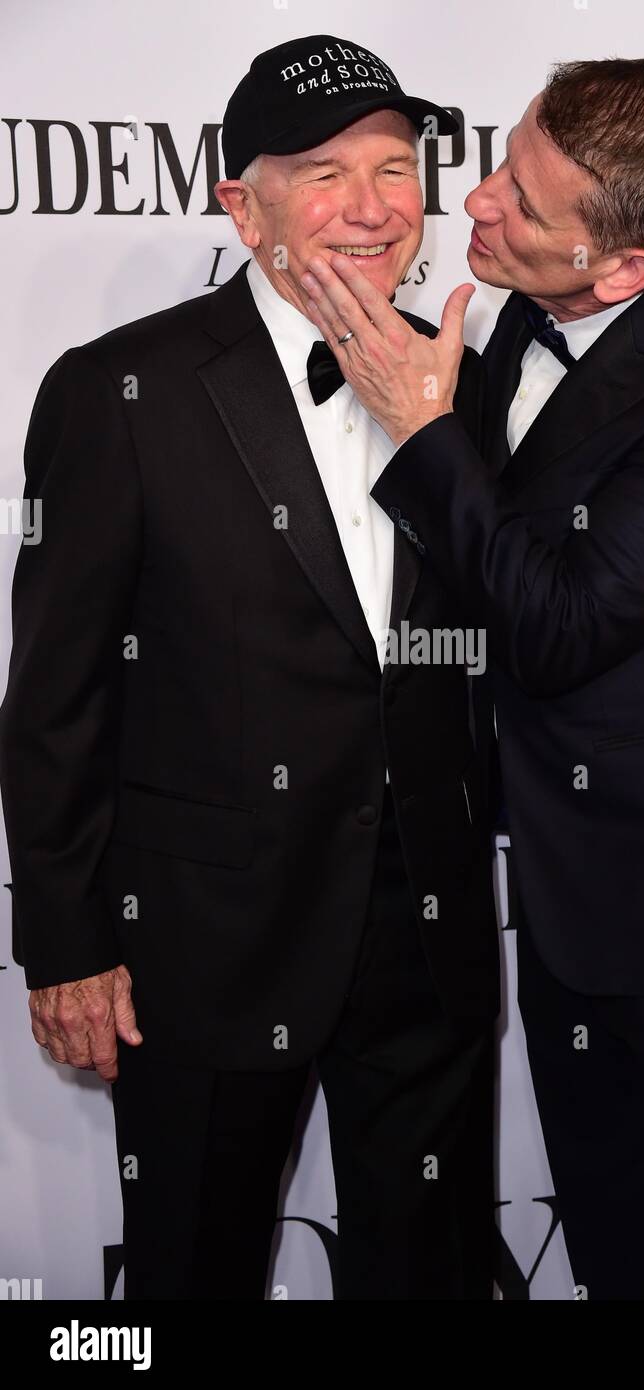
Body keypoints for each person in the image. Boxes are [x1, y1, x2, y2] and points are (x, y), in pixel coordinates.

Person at [299, 57, 644, 1300]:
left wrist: (423, 429)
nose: (479, 203)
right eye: (503, 161)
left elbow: (555, 621)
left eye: (522, 201)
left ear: (626, 272)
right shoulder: (530, 312)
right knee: (617, 1251)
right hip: (579, 895)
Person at [0, 34, 500, 1301]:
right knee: (188, 1272)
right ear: (241, 202)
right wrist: (63, 942)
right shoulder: (120, 389)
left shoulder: (470, 386)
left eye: (396, 168)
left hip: (424, 933)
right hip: (200, 940)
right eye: (322, 172)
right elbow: (54, 694)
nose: (374, 205)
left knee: (426, 1273)